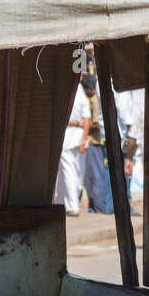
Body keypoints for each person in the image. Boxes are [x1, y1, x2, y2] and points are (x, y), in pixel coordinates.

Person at [79, 74, 113, 214]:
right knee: (90, 178)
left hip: (94, 142)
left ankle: (99, 208)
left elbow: (97, 125)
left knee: (96, 178)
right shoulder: (91, 99)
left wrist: (81, 124)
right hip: (93, 142)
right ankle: (94, 208)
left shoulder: (93, 101)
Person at [57, 82, 91, 215]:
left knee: (68, 172)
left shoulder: (66, 96)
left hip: (68, 137)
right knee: (76, 173)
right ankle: (62, 203)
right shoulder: (82, 97)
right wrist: (83, 139)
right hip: (79, 136)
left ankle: (72, 205)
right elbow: (87, 119)